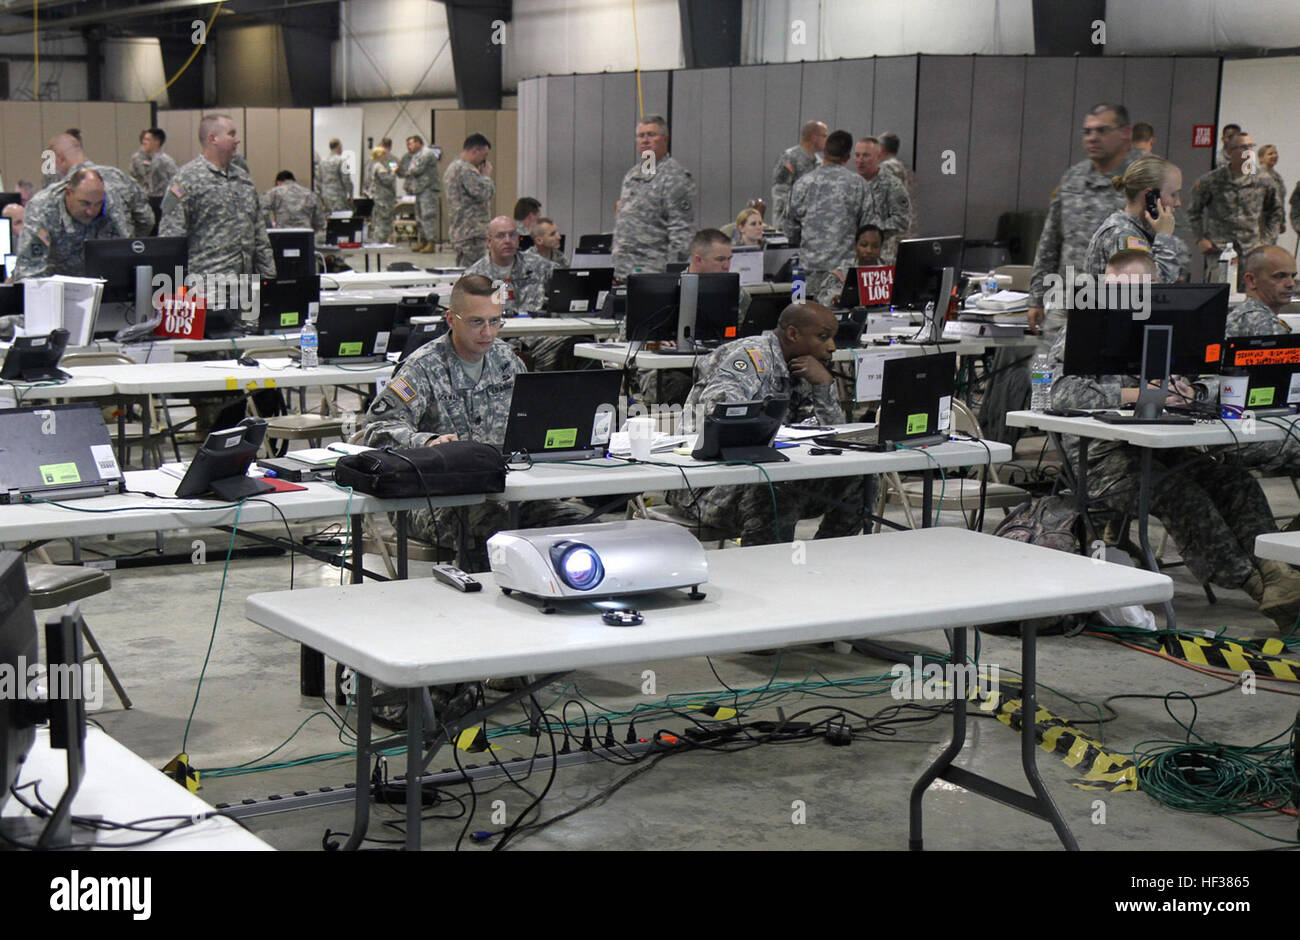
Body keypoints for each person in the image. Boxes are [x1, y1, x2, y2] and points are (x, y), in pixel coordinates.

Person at [1047, 249, 1300, 631]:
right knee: (1180, 493)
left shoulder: (1174, 328)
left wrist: (1193, 390)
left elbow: (1219, 378)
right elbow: (1060, 393)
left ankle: (1276, 572)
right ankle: (1254, 584)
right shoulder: (1084, 330)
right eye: (1116, 289)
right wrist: (1140, 395)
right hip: (1101, 458)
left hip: (1166, 446)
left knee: (1235, 482)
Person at [357, 274, 591, 571]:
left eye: (495, 321)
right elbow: (378, 429)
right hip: (432, 498)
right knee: (488, 526)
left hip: (505, 490)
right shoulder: (422, 368)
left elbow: (533, 419)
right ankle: (483, 609)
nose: (488, 332)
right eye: (477, 322)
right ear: (451, 319)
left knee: (576, 523)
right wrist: (427, 443)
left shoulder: (507, 361)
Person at [666, 302, 865, 544]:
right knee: (776, 490)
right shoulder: (751, 357)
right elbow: (720, 416)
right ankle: (770, 574)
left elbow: (834, 436)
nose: (831, 347)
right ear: (792, 334)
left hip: (772, 476)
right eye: (823, 337)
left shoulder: (805, 367)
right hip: (706, 484)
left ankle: (826, 556)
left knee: (863, 476)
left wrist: (823, 387)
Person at [1027, 103, 1136, 338]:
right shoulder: (1073, 178)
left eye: (1102, 130)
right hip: (1065, 302)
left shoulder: (1140, 180)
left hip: (1117, 305)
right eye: (1087, 132)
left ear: (1125, 133)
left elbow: (1164, 243)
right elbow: (1050, 242)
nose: (1093, 138)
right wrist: (1036, 297)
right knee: (1047, 371)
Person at [160, 113, 275, 280]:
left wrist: (269, 279)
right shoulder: (185, 180)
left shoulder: (244, 179)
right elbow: (170, 237)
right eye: (231, 134)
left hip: (245, 289)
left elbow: (259, 233)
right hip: (205, 288)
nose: (237, 140)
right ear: (213, 138)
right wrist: (175, 286)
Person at [785, 129, 872, 306]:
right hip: (841, 272)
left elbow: (790, 228)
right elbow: (868, 230)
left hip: (804, 270)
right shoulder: (858, 185)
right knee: (833, 323)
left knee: (798, 319)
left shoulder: (802, 183)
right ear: (848, 156)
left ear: (824, 152)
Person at [1188, 130, 1284, 276]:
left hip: (1252, 250)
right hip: (1219, 250)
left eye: (1251, 146)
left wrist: (1267, 240)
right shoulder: (1211, 180)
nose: (1248, 151)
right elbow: (1194, 211)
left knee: (1251, 294)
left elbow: (1276, 212)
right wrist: (1200, 238)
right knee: (1220, 293)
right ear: (1229, 152)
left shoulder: (1264, 180)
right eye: (1243, 147)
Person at [610, 115, 695, 280]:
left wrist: (672, 275)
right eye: (641, 136)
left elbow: (681, 232)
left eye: (651, 135)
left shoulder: (675, 177)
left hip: (653, 271)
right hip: (623, 270)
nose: (645, 140)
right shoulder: (632, 175)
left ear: (665, 139)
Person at [1083, 156, 1186, 281]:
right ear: (1150, 196)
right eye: (1173, 194)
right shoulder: (1124, 235)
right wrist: (1164, 237)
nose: (1178, 203)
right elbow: (1153, 290)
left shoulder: (1137, 230)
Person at [12, 168, 124, 282]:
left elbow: (125, 253)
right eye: (85, 203)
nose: (91, 211)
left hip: (100, 284)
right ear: (69, 193)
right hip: (55, 285)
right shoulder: (42, 208)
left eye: (98, 204)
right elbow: (29, 269)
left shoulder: (110, 201)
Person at [44, 132, 153, 237]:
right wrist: (131, 241)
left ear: (60, 158)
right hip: (124, 251)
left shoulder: (64, 188)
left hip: (82, 254)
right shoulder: (119, 176)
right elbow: (146, 219)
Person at [463, 215, 553, 316]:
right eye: (501, 236)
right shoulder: (474, 276)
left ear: (518, 239)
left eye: (512, 235)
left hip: (535, 329)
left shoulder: (540, 267)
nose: (507, 241)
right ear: (489, 242)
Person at [851, 136, 912, 262]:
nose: (860, 160)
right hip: (852, 257)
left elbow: (902, 220)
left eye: (866, 156)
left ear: (878, 157)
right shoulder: (849, 183)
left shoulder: (892, 185)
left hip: (880, 257)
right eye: (857, 155)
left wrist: (872, 231)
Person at [443, 133, 495, 266]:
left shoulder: (454, 167)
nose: (485, 160)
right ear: (475, 151)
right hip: (471, 232)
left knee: (464, 271)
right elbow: (484, 192)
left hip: (461, 231)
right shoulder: (466, 169)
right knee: (474, 275)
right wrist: (487, 177)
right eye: (484, 155)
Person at [769, 119, 827, 233]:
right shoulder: (790, 158)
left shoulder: (819, 162)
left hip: (811, 227)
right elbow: (780, 193)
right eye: (824, 136)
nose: (827, 140)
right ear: (814, 137)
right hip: (789, 226)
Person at [1224, 245, 1295, 337]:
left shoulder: (1235, 314)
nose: (1291, 284)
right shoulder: (1267, 326)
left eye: (1293, 276)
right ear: (1252, 280)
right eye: (1280, 276)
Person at [398, 135, 442, 253]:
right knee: (419, 217)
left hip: (428, 190)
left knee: (428, 216)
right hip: (420, 190)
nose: (409, 147)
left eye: (411, 144)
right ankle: (423, 241)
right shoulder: (416, 156)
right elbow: (410, 171)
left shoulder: (426, 153)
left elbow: (417, 170)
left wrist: (407, 171)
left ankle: (431, 242)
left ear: (418, 143)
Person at [260, 170, 325, 237]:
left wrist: (270, 228)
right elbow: (320, 220)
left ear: (278, 182)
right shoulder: (309, 194)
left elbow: (262, 211)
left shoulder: (274, 192)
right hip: (305, 234)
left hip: (282, 234)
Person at [129, 127, 178, 199]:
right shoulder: (136, 158)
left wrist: (179, 199)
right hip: (143, 199)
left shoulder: (166, 161)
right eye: (144, 139)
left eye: (147, 140)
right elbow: (133, 178)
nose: (144, 142)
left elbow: (175, 181)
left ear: (157, 142)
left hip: (161, 199)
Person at [365, 145, 397, 243]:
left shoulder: (374, 165)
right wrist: (393, 172)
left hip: (380, 197)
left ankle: (379, 241)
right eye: (383, 153)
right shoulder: (379, 166)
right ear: (379, 155)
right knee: (383, 221)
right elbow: (386, 180)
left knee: (380, 220)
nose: (385, 155)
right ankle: (380, 241)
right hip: (382, 199)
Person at [1258, 145, 1286, 235]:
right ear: (1261, 158)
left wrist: (1281, 221)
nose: (1274, 156)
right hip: (1261, 222)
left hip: (1273, 223)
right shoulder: (1258, 176)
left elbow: (1280, 200)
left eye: (1275, 153)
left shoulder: (1277, 176)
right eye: (1270, 154)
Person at [320, 139, 352, 214]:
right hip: (338, 196)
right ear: (339, 147)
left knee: (328, 219)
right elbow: (346, 180)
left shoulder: (322, 161)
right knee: (339, 218)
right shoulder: (342, 161)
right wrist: (351, 194)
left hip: (326, 195)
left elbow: (319, 179)